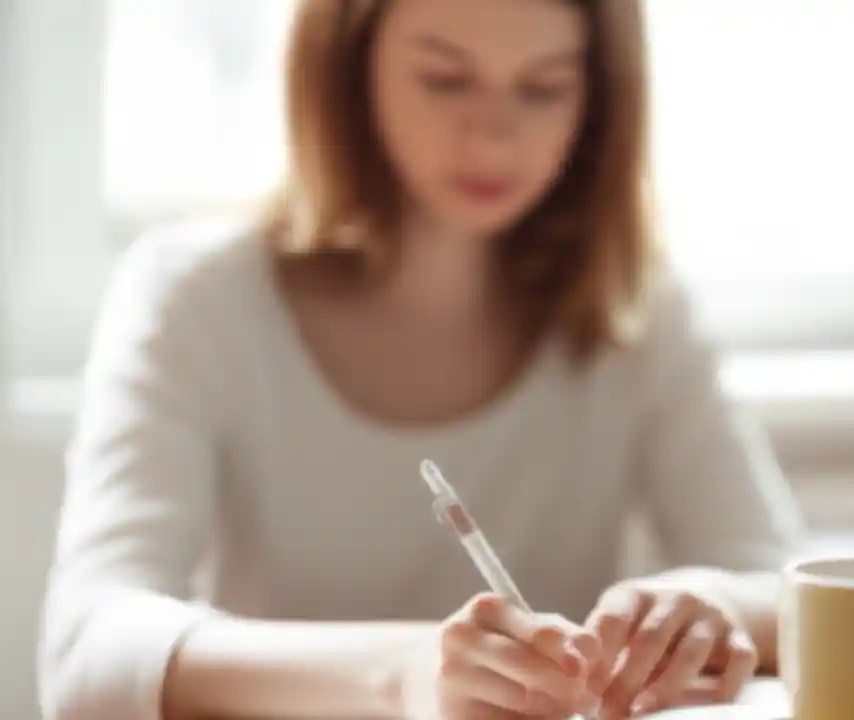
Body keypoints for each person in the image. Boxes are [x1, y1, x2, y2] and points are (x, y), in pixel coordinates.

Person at [38, 1, 804, 718]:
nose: (494, 137)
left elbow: (795, 594)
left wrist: (710, 605)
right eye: (444, 79)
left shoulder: (634, 308)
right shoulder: (196, 296)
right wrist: (399, 673)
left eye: (544, 89)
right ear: (348, 63)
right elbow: (87, 654)